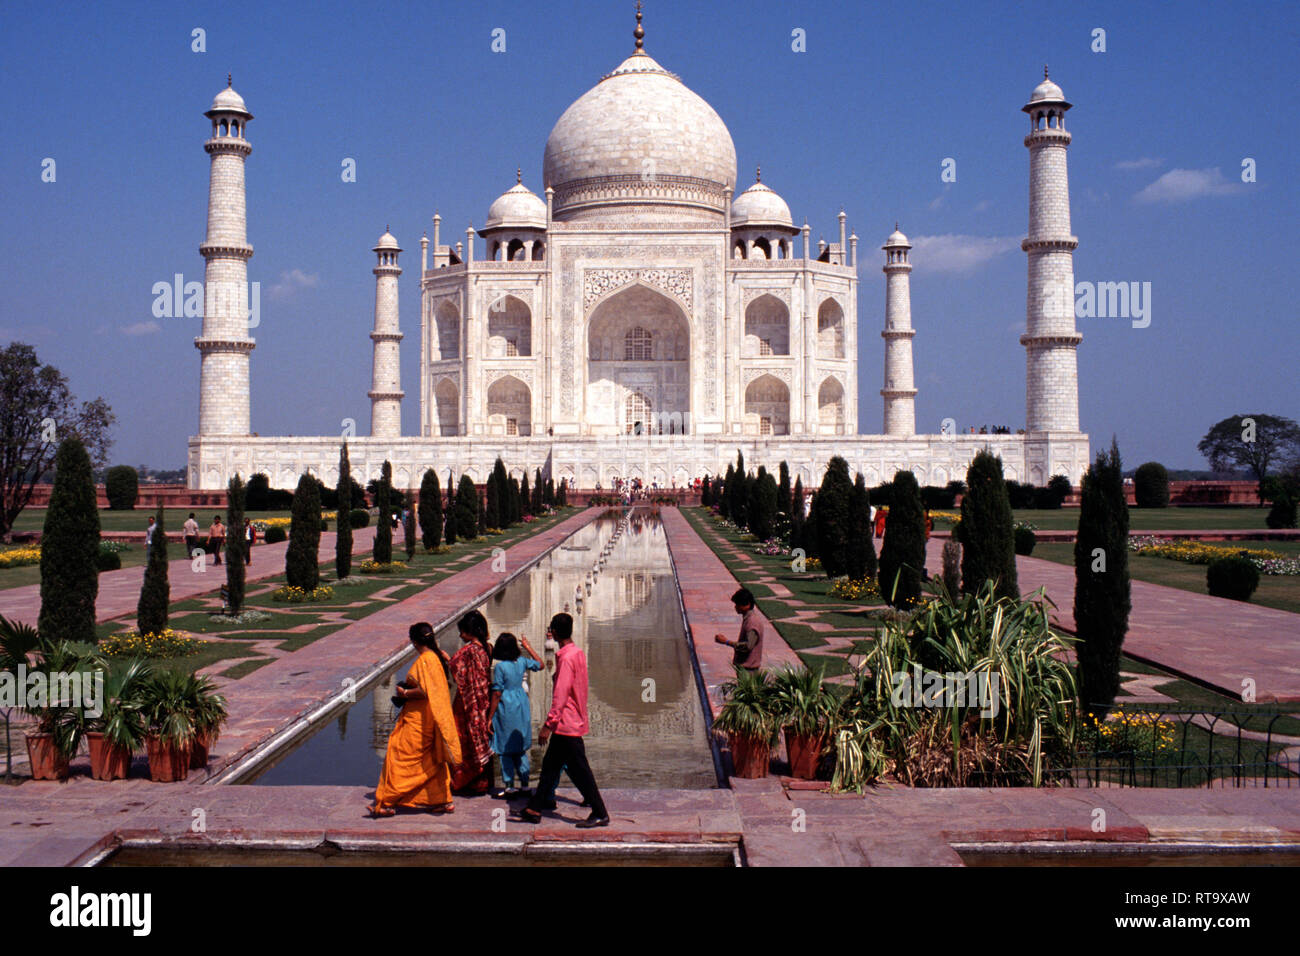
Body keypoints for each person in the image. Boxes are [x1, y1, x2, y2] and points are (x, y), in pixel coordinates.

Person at [517, 613, 608, 828]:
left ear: (554, 632)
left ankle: (600, 811)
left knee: (580, 770)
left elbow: (561, 695)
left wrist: (548, 725)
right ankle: (536, 807)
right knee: (550, 765)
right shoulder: (576, 653)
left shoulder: (566, 658)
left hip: (566, 722)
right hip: (572, 719)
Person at [369, 623, 462, 816]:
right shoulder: (436, 658)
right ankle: (442, 800)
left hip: (419, 720)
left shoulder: (426, 660)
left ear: (414, 641)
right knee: (431, 760)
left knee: (399, 757)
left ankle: (387, 802)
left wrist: (404, 692)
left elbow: (424, 691)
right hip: (431, 718)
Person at [487, 632, 543, 798]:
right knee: (519, 748)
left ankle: (510, 786)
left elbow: (497, 693)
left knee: (505, 748)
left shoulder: (500, 667)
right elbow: (541, 665)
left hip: (507, 705)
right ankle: (525, 785)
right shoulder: (522, 662)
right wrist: (528, 647)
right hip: (521, 703)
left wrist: (489, 717)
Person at [448, 609, 495, 795]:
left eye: (462, 631)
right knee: (482, 739)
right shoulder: (487, 647)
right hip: (484, 701)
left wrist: (445, 657)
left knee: (464, 740)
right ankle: (482, 781)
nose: (460, 635)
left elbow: (454, 665)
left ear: (470, 631)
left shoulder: (469, 650)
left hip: (468, 702)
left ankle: (463, 780)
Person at [714, 587, 764, 671]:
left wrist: (726, 642)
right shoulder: (748, 619)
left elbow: (748, 646)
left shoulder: (752, 622)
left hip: (749, 669)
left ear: (747, 605)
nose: (735, 607)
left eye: (738, 604)